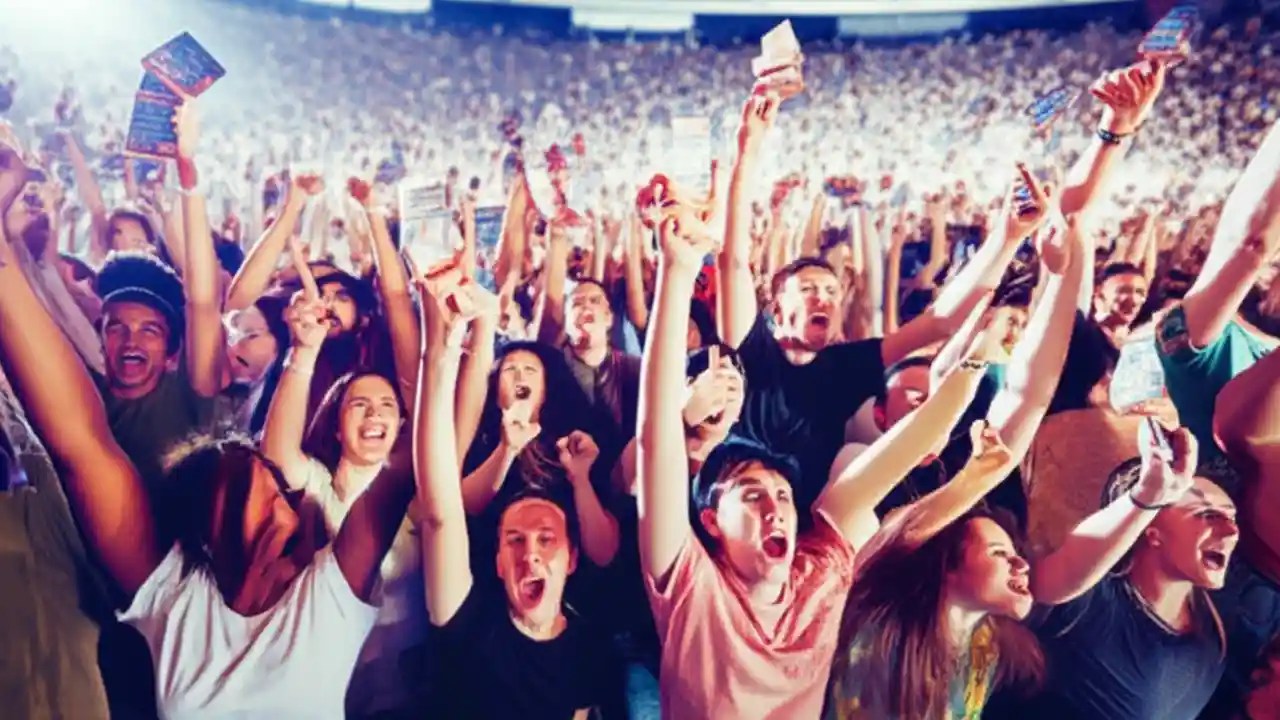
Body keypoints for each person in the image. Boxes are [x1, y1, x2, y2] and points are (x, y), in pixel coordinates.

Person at [0, 220, 414, 718]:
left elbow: (407, 456)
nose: (267, 485)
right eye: (239, 481)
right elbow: (81, 446)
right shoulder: (175, 596)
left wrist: (443, 334)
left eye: (268, 479)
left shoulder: (327, 596)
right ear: (203, 530)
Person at [637, 209, 997, 718]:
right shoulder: (693, 587)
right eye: (753, 496)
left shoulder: (817, 576)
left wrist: (976, 359)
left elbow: (907, 445)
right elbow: (655, 442)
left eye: (782, 496)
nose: (776, 508)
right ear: (711, 523)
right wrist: (676, 272)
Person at [716, 90, 1043, 507]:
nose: (826, 299)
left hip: (808, 524)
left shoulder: (844, 367)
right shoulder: (750, 347)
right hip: (736, 507)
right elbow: (732, 261)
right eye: (810, 289)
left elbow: (941, 322)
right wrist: (748, 152)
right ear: (776, 307)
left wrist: (1008, 237)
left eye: (833, 292)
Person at [414, 271, 615, 719]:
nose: (520, 375)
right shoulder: (484, 439)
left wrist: (580, 479)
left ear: (547, 387)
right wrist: (507, 450)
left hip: (565, 604)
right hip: (489, 598)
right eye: (510, 369)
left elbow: (604, 551)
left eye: (530, 370)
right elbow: (455, 508)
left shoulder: (577, 443)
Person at [261, 266, 427, 717]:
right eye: (359, 404)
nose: (374, 414)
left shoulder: (415, 494)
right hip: (329, 689)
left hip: (409, 694)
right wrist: (303, 351)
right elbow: (276, 455)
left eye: (387, 406)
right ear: (336, 427)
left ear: (402, 426)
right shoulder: (317, 484)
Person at [1003, 424, 1236, 719]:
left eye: (1231, 517)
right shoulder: (1086, 603)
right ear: (1152, 531)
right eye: (1207, 514)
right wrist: (1147, 496)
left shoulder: (1213, 634)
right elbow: (1054, 578)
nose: (1231, 532)